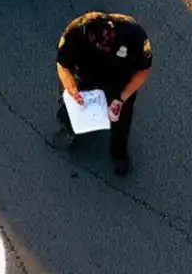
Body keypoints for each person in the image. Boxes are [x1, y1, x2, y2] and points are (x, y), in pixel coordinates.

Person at [53, 11, 152, 175]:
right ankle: (70, 130)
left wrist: (121, 98)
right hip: (85, 77)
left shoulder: (132, 32)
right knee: (70, 108)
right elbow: (62, 65)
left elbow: (143, 71)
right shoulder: (74, 33)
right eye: (101, 45)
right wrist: (71, 88)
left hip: (119, 81)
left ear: (112, 28)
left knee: (121, 120)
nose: (107, 48)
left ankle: (119, 154)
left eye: (110, 43)